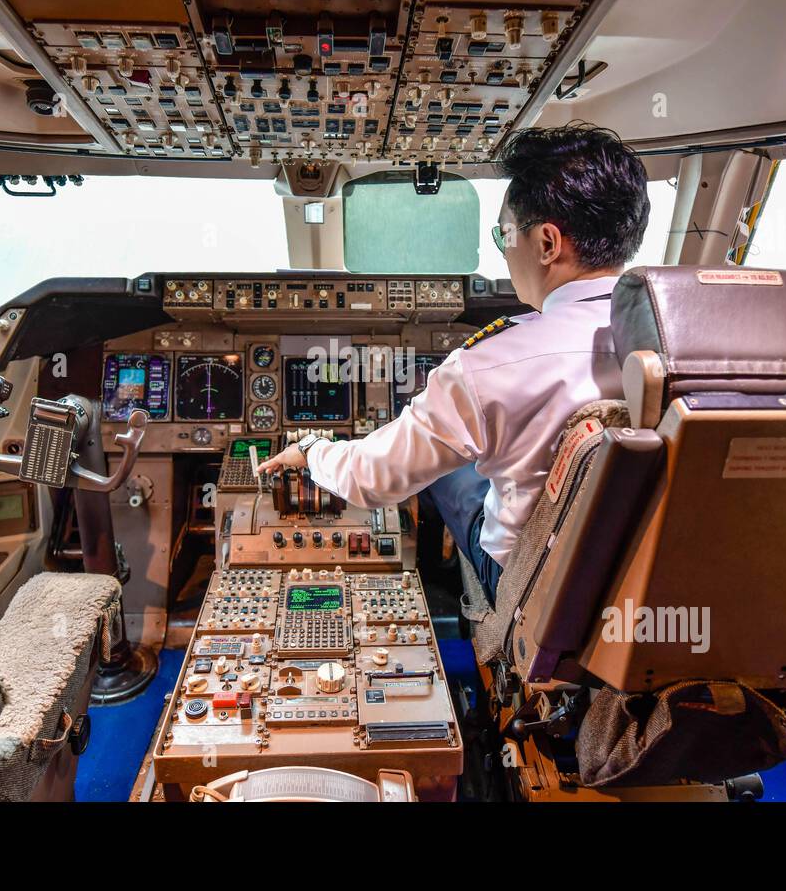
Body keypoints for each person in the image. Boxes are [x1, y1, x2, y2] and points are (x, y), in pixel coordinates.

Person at [257, 123, 651, 605]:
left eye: (504, 233)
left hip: (537, 591)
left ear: (547, 243)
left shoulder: (491, 364)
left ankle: (464, 610)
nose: (504, 250)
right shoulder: (693, 344)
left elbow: (373, 477)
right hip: (652, 576)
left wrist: (314, 450)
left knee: (444, 470)